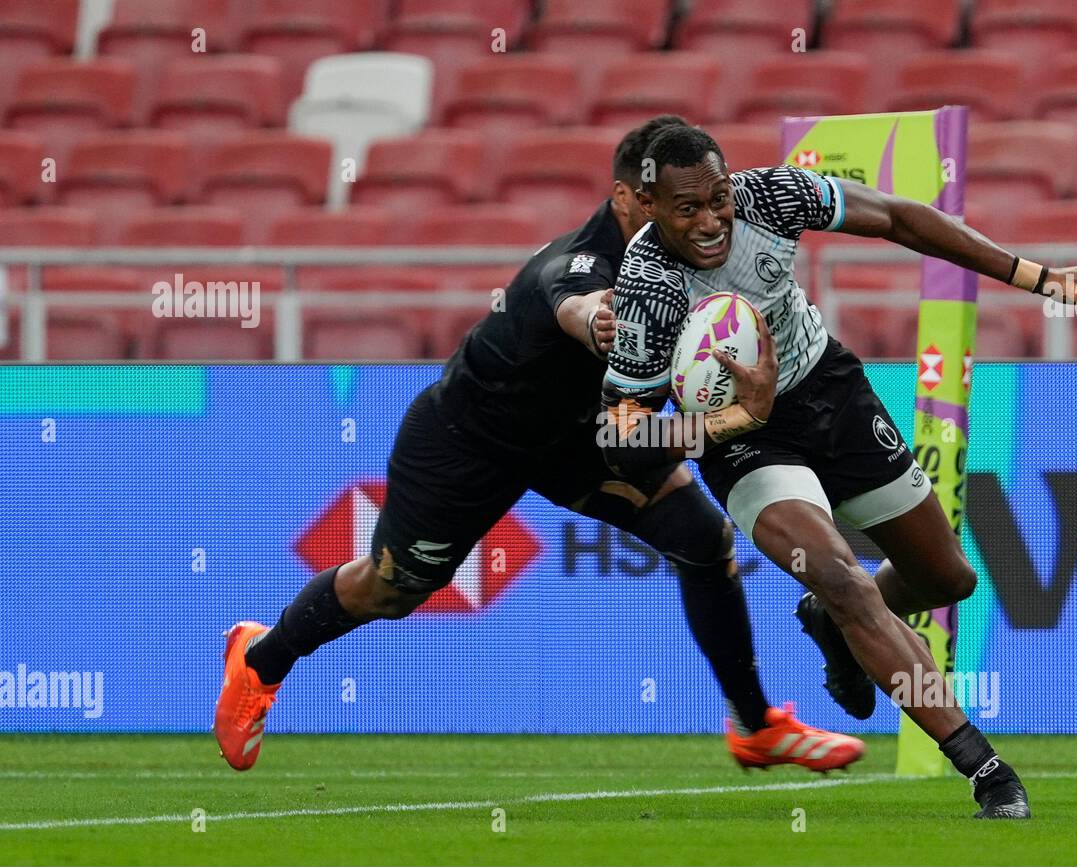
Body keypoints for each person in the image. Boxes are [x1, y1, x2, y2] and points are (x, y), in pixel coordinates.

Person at [213, 116, 864, 775]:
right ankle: (261, 658)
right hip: (470, 440)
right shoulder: (580, 266)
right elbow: (574, 303)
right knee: (394, 589)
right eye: (659, 201)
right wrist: (599, 319)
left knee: (701, 536)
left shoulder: (686, 256)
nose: (690, 217)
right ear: (625, 199)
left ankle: (755, 727)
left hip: (577, 439)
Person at [598, 124, 1077, 818]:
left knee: (948, 578)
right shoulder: (647, 289)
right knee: (839, 575)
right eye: (687, 208)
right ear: (649, 206)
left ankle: (832, 625)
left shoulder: (770, 196)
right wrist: (732, 421)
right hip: (744, 442)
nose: (711, 221)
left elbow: (895, 216)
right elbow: (620, 437)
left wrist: (1038, 278)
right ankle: (986, 769)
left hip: (831, 395)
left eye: (718, 198)